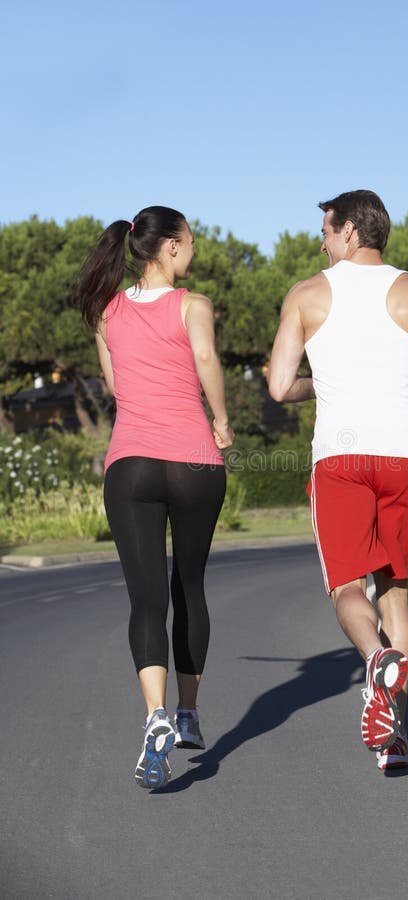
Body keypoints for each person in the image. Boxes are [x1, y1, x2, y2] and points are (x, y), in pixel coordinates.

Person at [267, 190, 408, 771]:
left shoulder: (308, 294)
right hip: (400, 456)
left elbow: (280, 386)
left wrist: (326, 383)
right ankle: (396, 734)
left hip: (339, 459)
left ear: (351, 234)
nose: (322, 241)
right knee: (394, 591)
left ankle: (372, 661)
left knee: (345, 589)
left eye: (327, 231)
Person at [78, 206, 234, 788]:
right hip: (194, 458)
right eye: (189, 242)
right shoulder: (193, 305)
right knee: (187, 584)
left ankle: (156, 718)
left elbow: (117, 386)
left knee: (147, 602)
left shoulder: (105, 311)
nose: (192, 251)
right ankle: (190, 713)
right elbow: (204, 360)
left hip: (132, 464)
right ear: (169, 247)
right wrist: (221, 420)